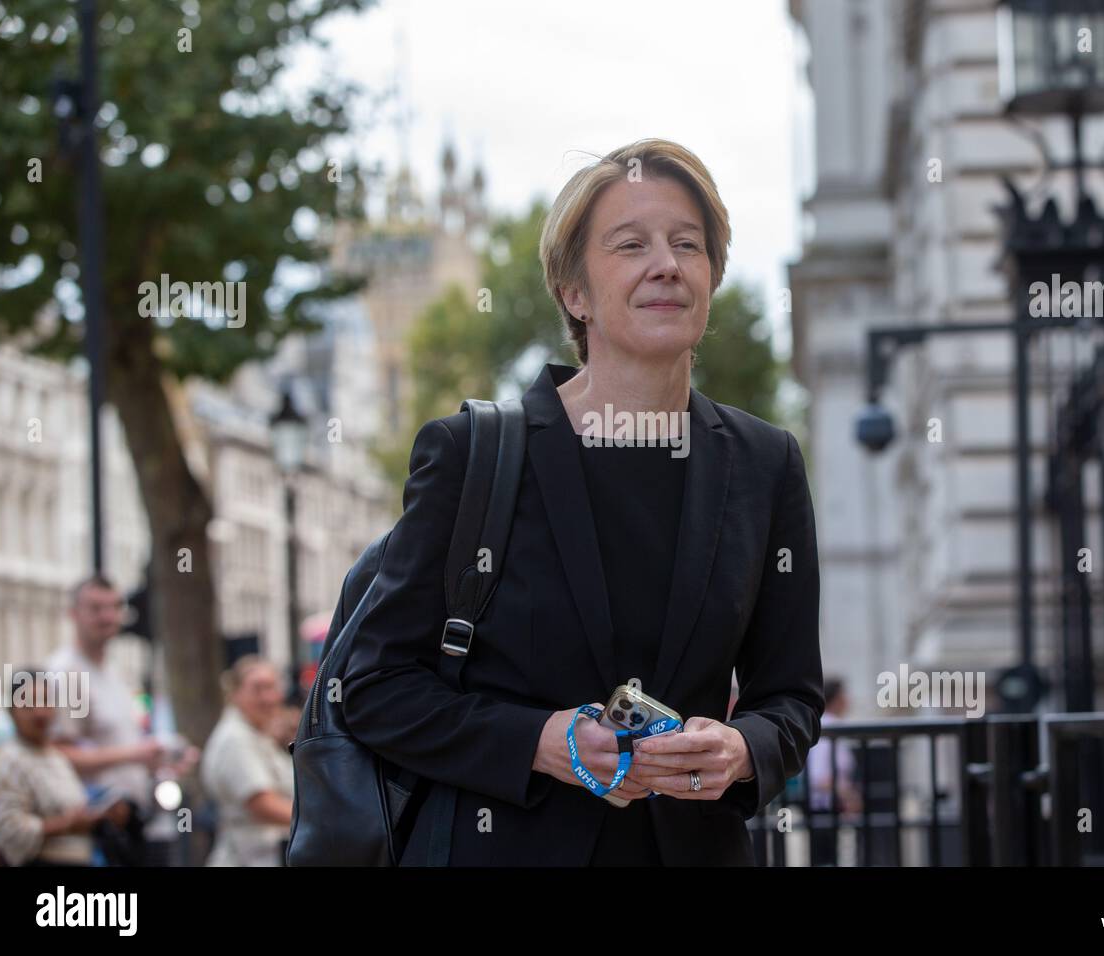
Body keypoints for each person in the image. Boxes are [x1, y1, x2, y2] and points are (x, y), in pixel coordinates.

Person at [342, 138, 824, 866]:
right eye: (631, 245)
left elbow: (790, 696)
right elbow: (374, 686)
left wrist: (742, 748)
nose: (666, 263)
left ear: (711, 275)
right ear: (574, 293)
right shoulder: (472, 453)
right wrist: (544, 744)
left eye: (687, 244)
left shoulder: (766, 463)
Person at [46, 574, 199, 865]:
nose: (108, 616)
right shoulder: (66, 673)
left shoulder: (112, 669)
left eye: (115, 607)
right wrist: (136, 754)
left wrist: (159, 759)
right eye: (95, 608)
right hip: (95, 832)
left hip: (128, 823)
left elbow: (117, 746)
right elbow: (58, 754)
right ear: (72, 614)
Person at [0, 667, 127, 866]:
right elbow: (7, 832)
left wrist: (101, 816)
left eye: (45, 702)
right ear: (12, 712)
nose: (39, 713)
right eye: (28, 705)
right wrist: (65, 826)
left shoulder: (55, 757)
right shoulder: (9, 760)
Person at [200, 656, 295, 866]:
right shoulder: (235, 739)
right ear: (235, 694)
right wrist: (322, 819)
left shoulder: (257, 734)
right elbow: (263, 804)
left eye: (272, 687)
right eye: (258, 689)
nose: (268, 698)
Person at [805, 678, 860, 865]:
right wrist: (848, 796)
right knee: (826, 859)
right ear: (836, 699)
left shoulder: (825, 724)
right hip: (824, 806)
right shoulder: (830, 726)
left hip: (827, 805)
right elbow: (819, 775)